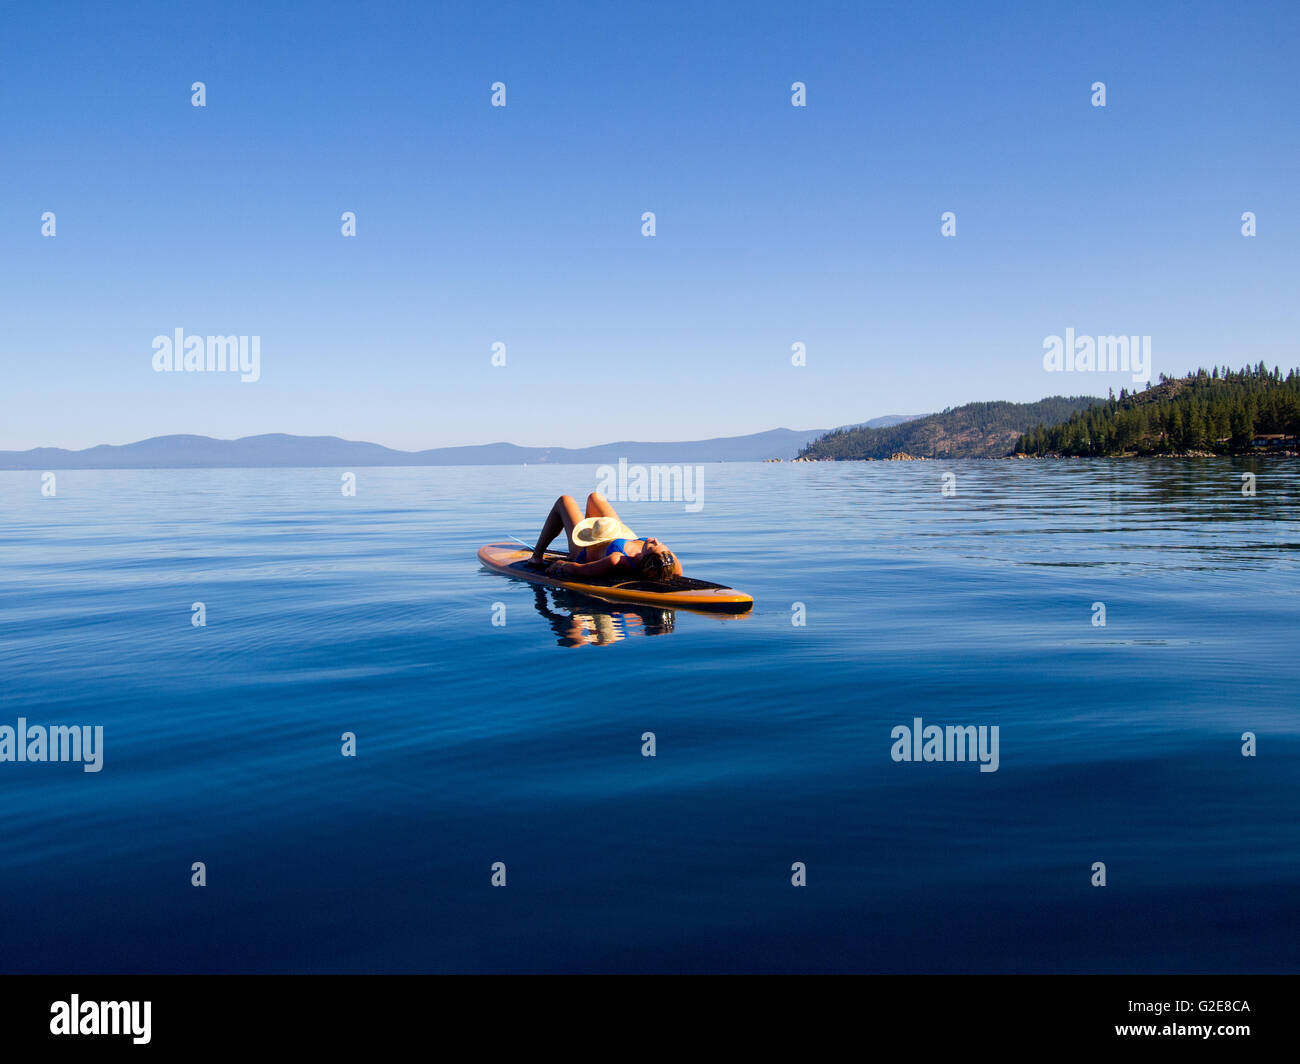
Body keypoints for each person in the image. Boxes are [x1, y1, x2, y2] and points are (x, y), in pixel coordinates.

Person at [530, 493, 682, 581]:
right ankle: (591, 529)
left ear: (645, 556)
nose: (655, 540)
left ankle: (536, 556)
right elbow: (675, 571)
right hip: (616, 533)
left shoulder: (616, 560)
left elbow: (579, 570)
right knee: (595, 497)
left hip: (584, 550)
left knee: (564, 501)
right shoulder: (667, 559)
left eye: (652, 545)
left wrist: (561, 565)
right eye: (660, 543)